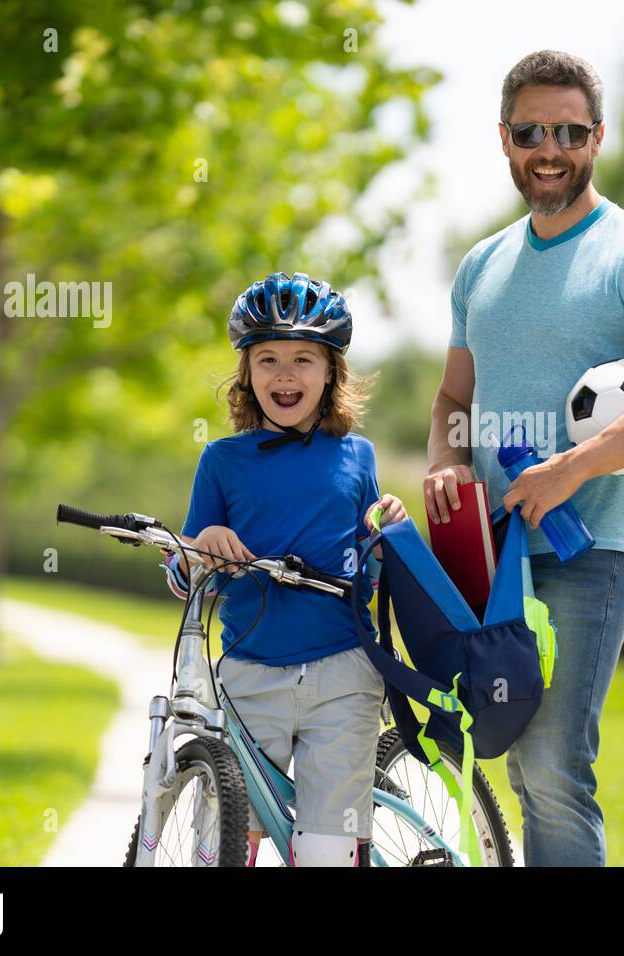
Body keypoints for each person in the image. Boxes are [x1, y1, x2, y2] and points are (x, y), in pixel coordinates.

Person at [425, 51, 624, 866]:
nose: (549, 148)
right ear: (505, 138)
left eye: (568, 131)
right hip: (492, 553)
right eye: (531, 131)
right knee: (513, 759)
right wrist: (447, 465)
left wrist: (573, 468)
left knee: (555, 766)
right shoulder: (482, 266)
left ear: (598, 135)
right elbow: (454, 402)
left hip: (590, 551)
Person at [163, 272, 408, 866]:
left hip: (343, 673)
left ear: (331, 373)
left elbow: (368, 574)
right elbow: (183, 573)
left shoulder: (358, 455)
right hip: (250, 674)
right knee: (223, 838)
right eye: (268, 359)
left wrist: (385, 531)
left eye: (304, 359)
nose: (286, 375)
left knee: (327, 849)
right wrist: (201, 547)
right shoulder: (221, 461)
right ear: (246, 373)